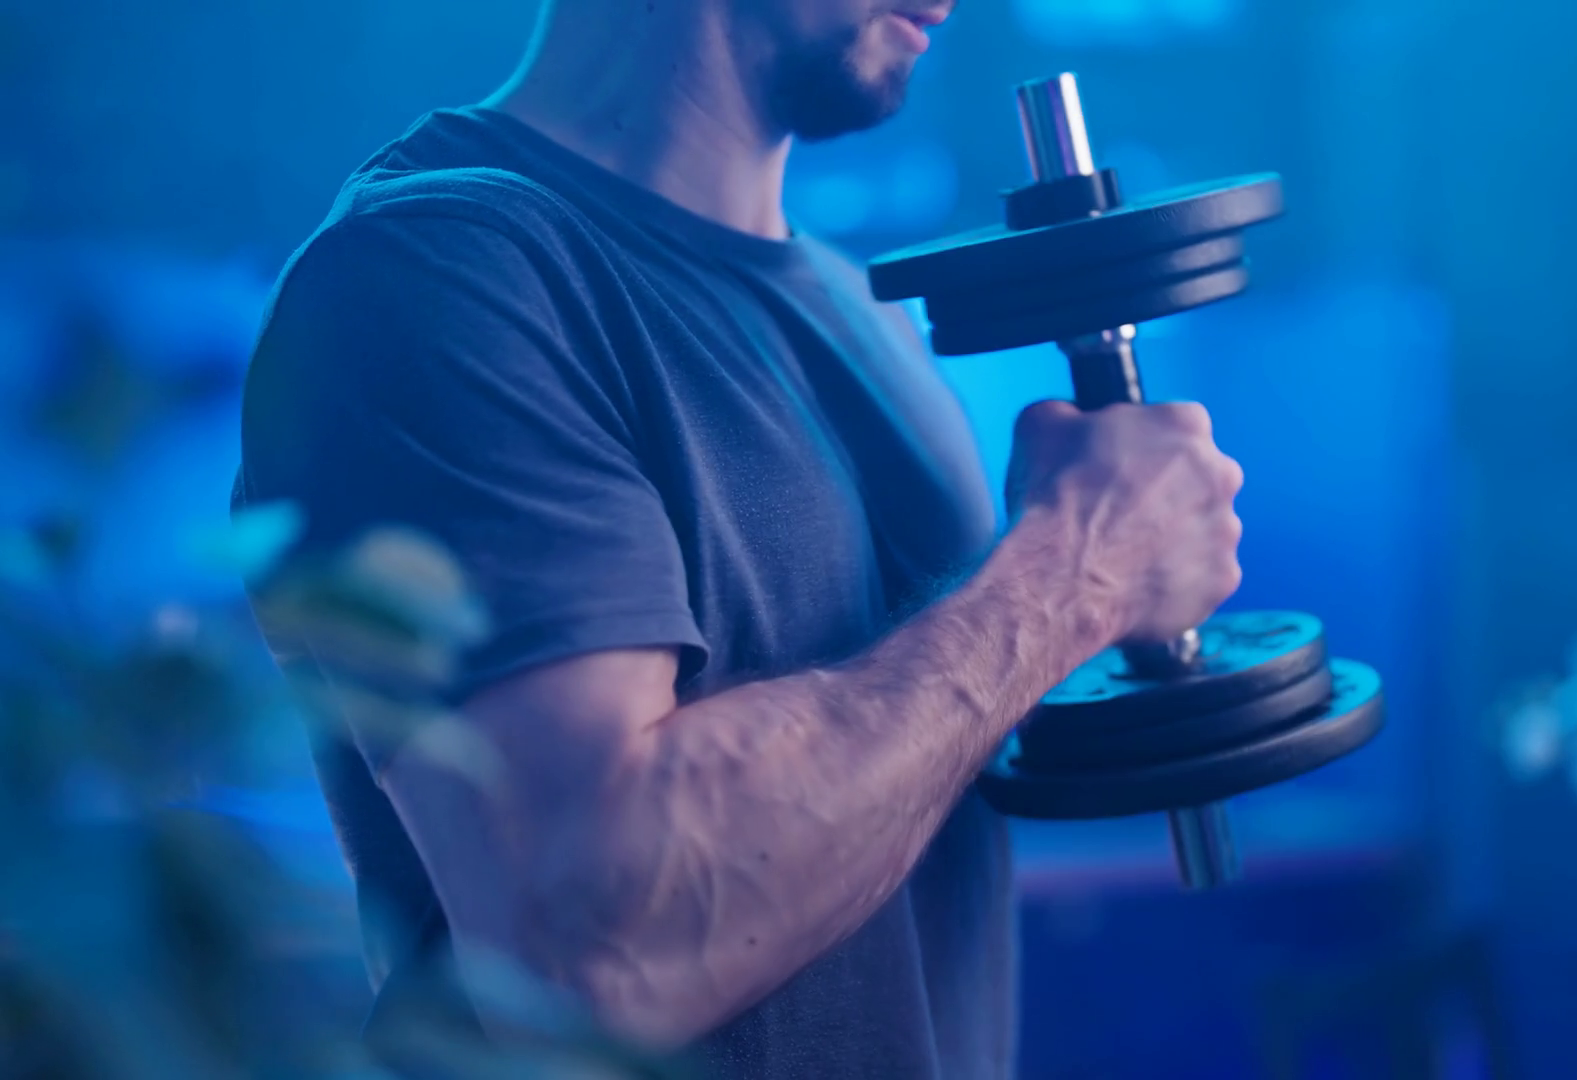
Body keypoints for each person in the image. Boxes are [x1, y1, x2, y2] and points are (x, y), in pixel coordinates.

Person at [234, 0, 1245, 1075]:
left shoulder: (868, 316)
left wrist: (1100, 579)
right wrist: (1073, 571)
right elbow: (596, 955)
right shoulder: (433, 277)